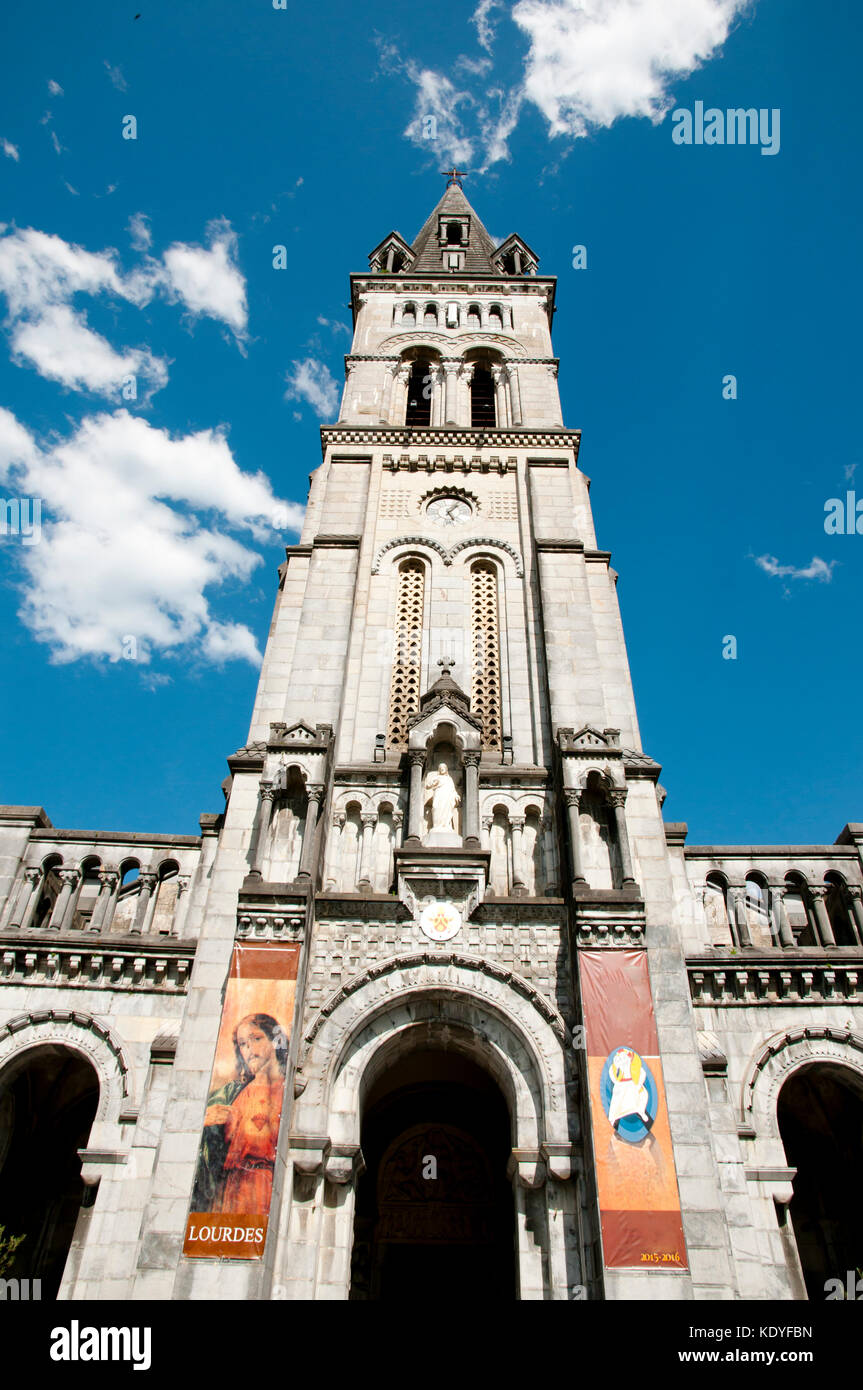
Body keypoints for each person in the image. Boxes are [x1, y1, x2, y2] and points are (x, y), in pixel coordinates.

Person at [191, 1013, 288, 1213]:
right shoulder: (231, 1093)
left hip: (263, 1188)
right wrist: (208, 1122)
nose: (249, 1049)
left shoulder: (285, 1090)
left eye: (256, 1038)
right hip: (229, 1189)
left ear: (274, 1041)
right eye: (243, 1044)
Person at [424, 761, 460, 832]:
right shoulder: (436, 777)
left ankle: (446, 825)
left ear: (446, 769)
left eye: (443, 767)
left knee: (447, 810)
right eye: (440, 768)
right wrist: (433, 783)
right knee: (435, 807)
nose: (442, 769)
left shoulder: (449, 779)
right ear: (439, 769)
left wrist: (456, 795)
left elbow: (452, 789)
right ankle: (436, 825)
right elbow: (427, 786)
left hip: (447, 796)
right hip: (438, 795)